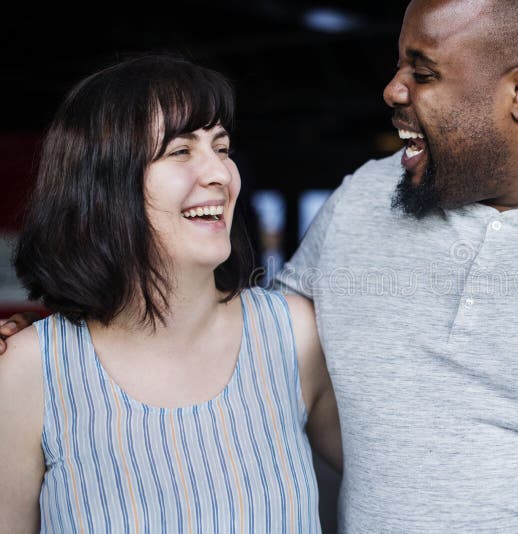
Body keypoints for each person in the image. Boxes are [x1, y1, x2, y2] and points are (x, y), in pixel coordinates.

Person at [2, 1, 518, 532]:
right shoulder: (365, 204)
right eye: (398, 63)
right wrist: (42, 345)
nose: (392, 90)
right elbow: (220, 337)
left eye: (424, 70)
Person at [0, 55, 340, 533]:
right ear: (103, 184)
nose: (220, 174)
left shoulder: (294, 335)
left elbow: (407, 476)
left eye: (221, 148)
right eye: (180, 151)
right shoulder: (30, 370)